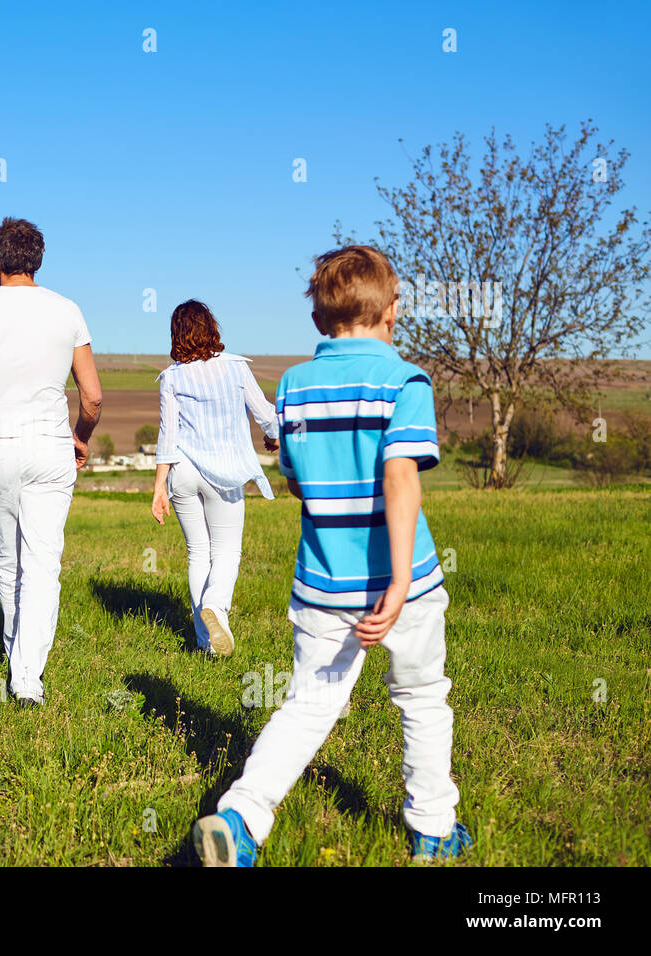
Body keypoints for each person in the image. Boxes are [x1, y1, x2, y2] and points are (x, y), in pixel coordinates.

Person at [192, 246, 471, 866]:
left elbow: (296, 481)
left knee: (309, 705)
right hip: (406, 583)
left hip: (322, 584)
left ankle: (240, 820)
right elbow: (400, 478)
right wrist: (398, 584)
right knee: (422, 697)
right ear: (393, 311)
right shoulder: (405, 382)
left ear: (318, 320)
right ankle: (432, 830)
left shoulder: (293, 386)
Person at [0, 217, 102, 707]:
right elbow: (92, 396)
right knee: (43, 563)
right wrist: (80, 437)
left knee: (9, 562)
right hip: (51, 449)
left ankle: (16, 665)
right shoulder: (68, 311)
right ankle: (28, 678)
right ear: (39, 260)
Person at [150, 300, 279, 656]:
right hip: (224, 473)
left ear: (176, 334)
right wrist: (274, 437)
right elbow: (265, 414)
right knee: (226, 550)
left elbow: (167, 435)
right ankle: (216, 607)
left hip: (183, 472)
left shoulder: (171, 377)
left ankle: (204, 642)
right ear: (211, 328)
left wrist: (159, 486)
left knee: (198, 553)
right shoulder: (236, 368)